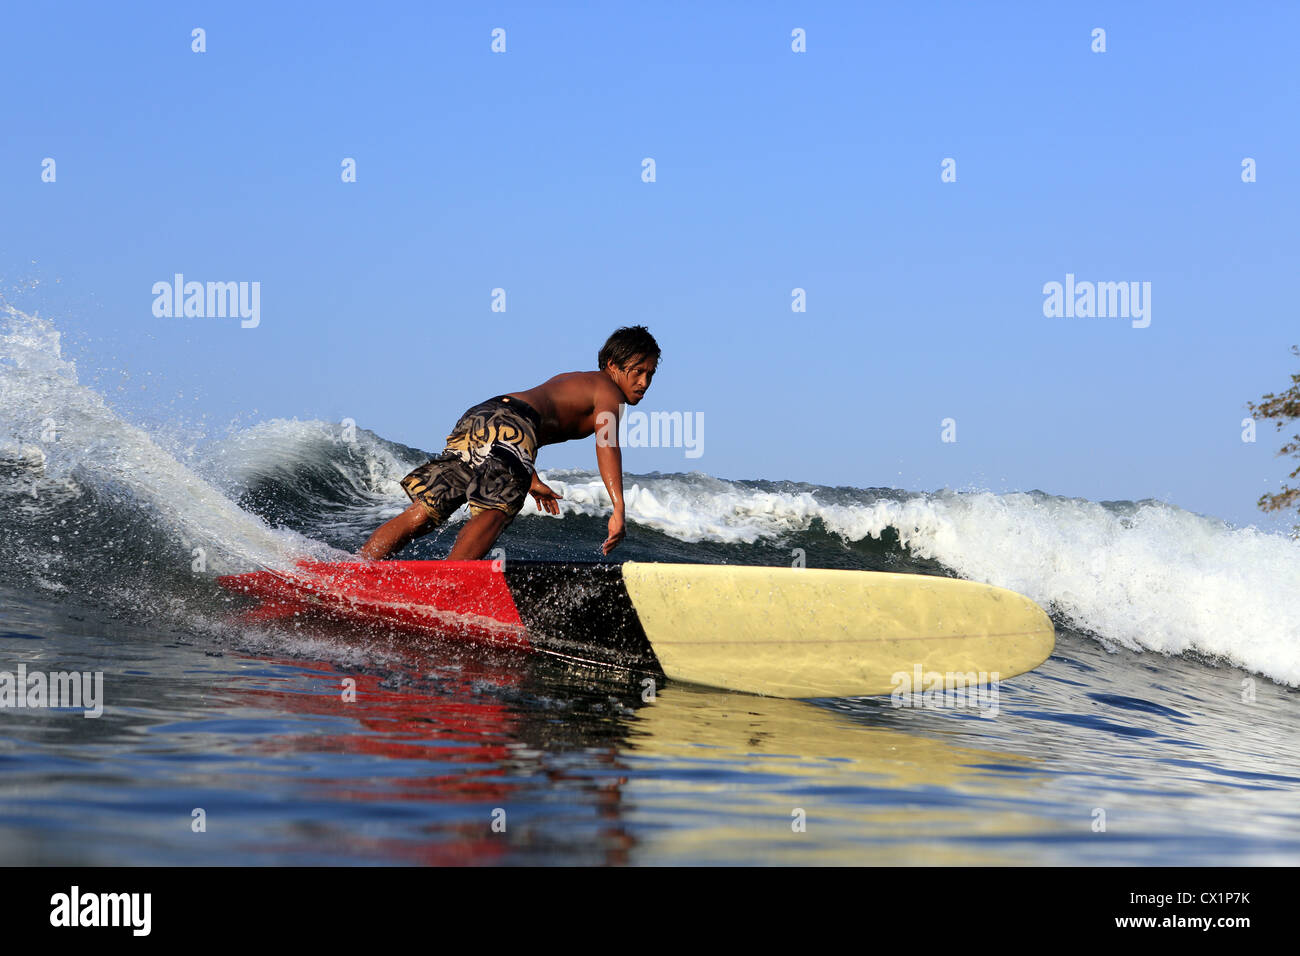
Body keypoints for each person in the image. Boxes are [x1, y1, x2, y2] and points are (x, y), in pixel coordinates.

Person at [358, 325, 659, 561]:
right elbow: (607, 444)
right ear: (613, 365)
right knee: (495, 508)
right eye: (638, 372)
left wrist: (531, 477)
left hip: (482, 416)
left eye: (650, 374)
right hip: (514, 423)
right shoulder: (609, 392)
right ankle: (451, 583)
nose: (644, 382)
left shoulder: (577, 381)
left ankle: (361, 567)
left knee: (427, 509)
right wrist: (619, 508)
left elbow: (532, 424)